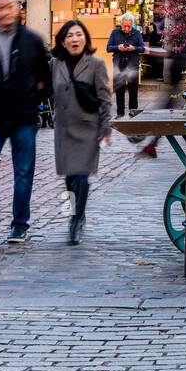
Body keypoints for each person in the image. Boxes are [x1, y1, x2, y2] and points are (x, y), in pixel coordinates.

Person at [0, 0, 51, 244]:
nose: (5, 12)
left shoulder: (31, 40)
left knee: (24, 171)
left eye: (10, 7)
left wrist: (32, 100)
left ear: (18, 9)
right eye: (0, 7)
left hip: (23, 116)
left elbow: (44, 76)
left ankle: (19, 224)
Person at [51, 20, 113, 246]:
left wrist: (105, 127)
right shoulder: (55, 64)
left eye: (78, 34)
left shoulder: (95, 64)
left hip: (88, 127)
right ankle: (73, 212)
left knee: (80, 175)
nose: (74, 39)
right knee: (69, 177)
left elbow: (105, 96)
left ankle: (76, 219)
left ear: (85, 38)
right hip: (64, 128)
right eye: (69, 35)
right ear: (63, 41)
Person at [106, 12, 146, 118]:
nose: (127, 28)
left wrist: (134, 48)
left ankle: (133, 112)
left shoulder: (137, 33)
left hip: (132, 65)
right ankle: (120, 113)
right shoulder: (115, 33)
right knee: (119, 90)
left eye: (129, 26)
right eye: (125, 26)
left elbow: (142, 48)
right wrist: (117, 47)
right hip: (119, 65)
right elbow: (108, 48)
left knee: (133, 91)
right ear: (121, 24)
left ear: (132, 24)